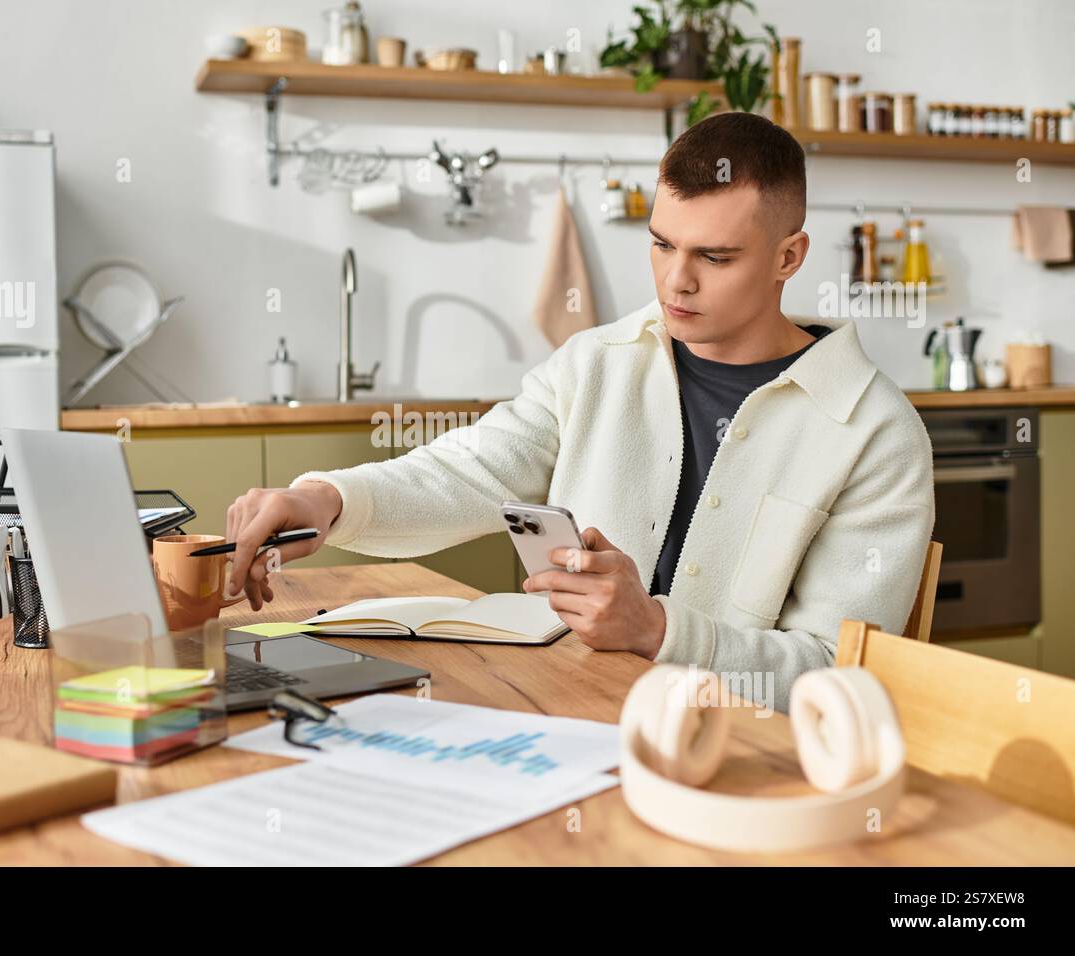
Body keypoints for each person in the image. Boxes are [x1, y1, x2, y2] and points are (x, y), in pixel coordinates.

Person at [223, 112, 935, 712]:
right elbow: (472, 470)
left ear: (789, 257)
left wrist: (657, 628)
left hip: (747, 760)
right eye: (661, 244)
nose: (675, 280)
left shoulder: (876, 432)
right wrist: (326, 498)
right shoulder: (595, 361)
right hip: (564, 709)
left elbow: (839, 678)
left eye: (715, 257)